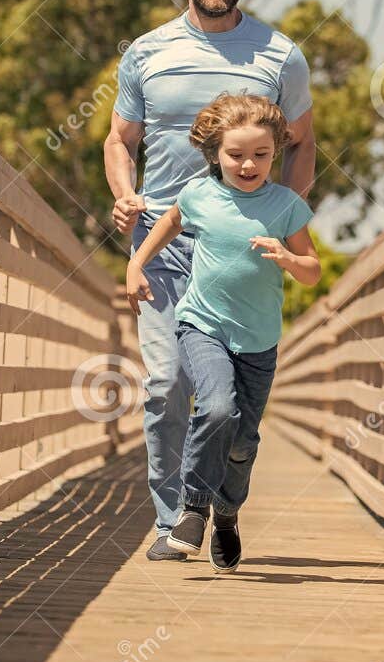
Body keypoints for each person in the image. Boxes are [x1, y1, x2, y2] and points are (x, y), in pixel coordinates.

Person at [103, 0, 316, 562]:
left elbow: (304, 144)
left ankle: (218, 504)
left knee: (233, 416)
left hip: (241, 250)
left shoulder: (280, 55)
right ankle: (176, 518)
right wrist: (124, 195)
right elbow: (120, 140)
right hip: (168, 245)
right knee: (167, 386)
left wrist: (289, 213)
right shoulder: (146, 53)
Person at [125, 93, 321, 572]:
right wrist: (137, 263)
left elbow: (313, 270)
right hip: (202, 325)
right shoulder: (199, 195)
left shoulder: (285, 205)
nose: (248, 164)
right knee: (215, 407)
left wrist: (290, 260)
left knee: (242, 442)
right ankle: (192, 511)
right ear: (215, 153)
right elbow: (167, 223)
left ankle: (227, 515)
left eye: (261, 154)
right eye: (236, 155)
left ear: (275, 151)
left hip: (258, 339)